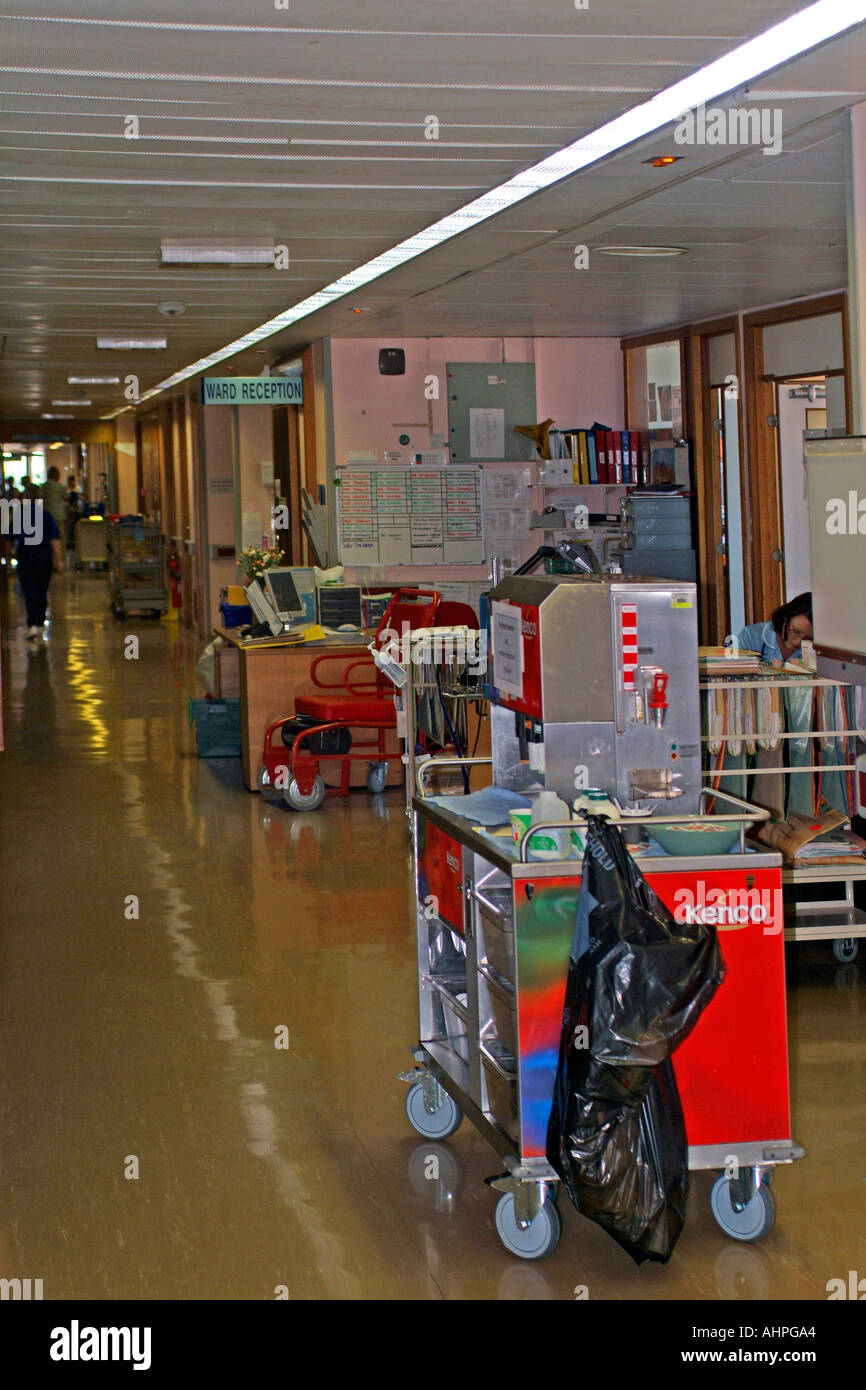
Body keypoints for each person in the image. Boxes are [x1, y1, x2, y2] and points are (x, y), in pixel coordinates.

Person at [15, 482, 62, 639]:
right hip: (43, 557)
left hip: (25, 556)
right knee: (41, 591)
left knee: (29, 591)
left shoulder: (19, 515)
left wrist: (8, 559)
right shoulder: (47, 516)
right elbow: (55, 540)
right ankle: (39, 622)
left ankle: (34, 624)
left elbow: (8, 539)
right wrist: (59, 560)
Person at [735, 592, 813, 665]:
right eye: (795, 631)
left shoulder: (817, 649)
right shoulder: (750, 636)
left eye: (807, 638)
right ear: (785, 617)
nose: (797, 642)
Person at [42, 465, 68, 561]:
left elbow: (41, 499)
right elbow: (66, 497)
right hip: (59, 516)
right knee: (59, 539)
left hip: (47, 516)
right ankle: (59, 560)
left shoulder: (44, 486)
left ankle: (50, 560)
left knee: (48, 539)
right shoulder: (60, 487)